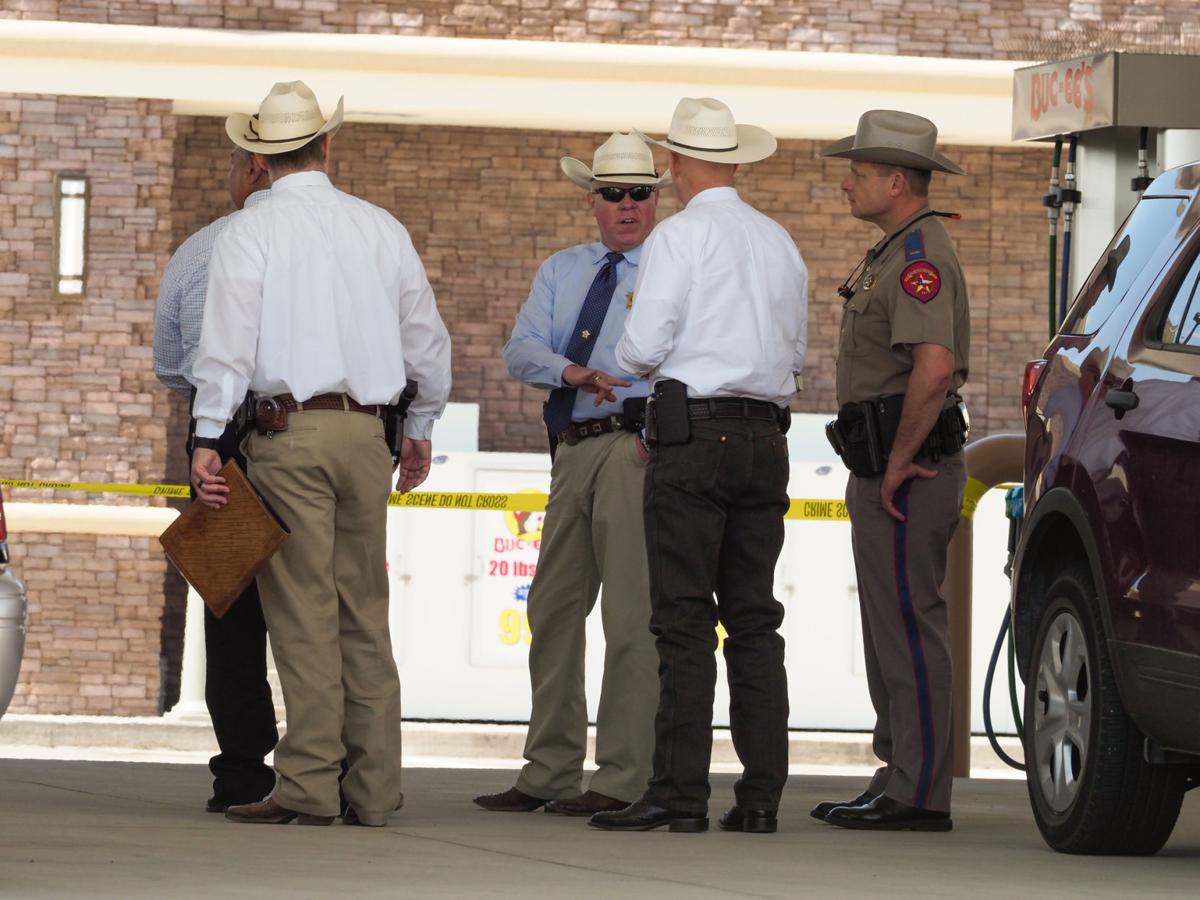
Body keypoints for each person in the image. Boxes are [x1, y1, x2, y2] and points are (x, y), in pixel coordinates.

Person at [189, 81, 451, 827]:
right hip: (369, 434)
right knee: (365, 612)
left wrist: (209, 439)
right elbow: (426, 344)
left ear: (259, 157)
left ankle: (306, 786)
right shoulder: (380, 228)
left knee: (304, 613)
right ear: (326, 146)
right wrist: (421, 425)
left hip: (288, 433)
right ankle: (373, 791)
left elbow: (227, 352)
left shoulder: (250, 233)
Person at [589, 98, 808, 834]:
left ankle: (679, 795)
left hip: (694, 434)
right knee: (754, 621)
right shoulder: (780, 241)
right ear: (736, 160)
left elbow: (642, 349)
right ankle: (761, 800)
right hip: (766, 436)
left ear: (677, 163)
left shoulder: (679, 237)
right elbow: (795, 353)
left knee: (683, 620)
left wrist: (622, 358)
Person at [473, 133, 667, 817]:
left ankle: (621, 775)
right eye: (613, 193)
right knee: (553, 609)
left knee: (629, 618)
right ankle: (549, 769)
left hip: (635, 444)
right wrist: (572, 372)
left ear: (656, 200)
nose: (627, 205)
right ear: (593, 200)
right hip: (572, 444)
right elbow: (521, 349)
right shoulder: (564, 269)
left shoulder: (672, 268)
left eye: (640, 193)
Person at [813, 109, 970, 832]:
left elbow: (932, 370)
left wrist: (901, 461)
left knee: (910, 626)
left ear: (896, 179)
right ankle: (899, 773)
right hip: (884, 463)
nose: (846, 183)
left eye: (860, 172)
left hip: (909, 468)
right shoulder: (895, 249)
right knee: (890, 628)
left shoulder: (919, 256)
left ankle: (920, 792)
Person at [152, 145, 278, 814]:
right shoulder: (340, 241)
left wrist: (208, 413)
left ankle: (242, 771)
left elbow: (170, 361)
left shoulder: (200, 250)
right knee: (322, 598)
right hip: (303, 427)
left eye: (230, 165)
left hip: (218, 432)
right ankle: (336, 762)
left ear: (255, 167)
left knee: (230, 605)